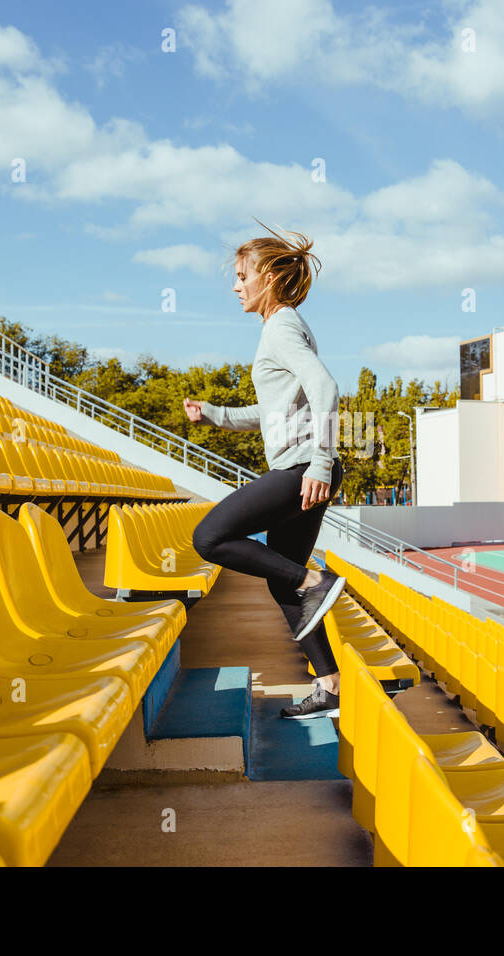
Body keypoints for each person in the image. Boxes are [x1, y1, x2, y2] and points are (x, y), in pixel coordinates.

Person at [184, 221, 348, 719]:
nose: (235, 286)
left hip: (305, 468)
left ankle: (315, 581)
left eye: (241, 276)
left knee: (209, 537)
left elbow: (325, 388)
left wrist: (319, 460)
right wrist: (216, 414)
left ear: (270, 278)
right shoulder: (284, 327)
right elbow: (275, 410)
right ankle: (330, 688)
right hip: (307, 467)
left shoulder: (280, 326)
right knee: (283, 583)